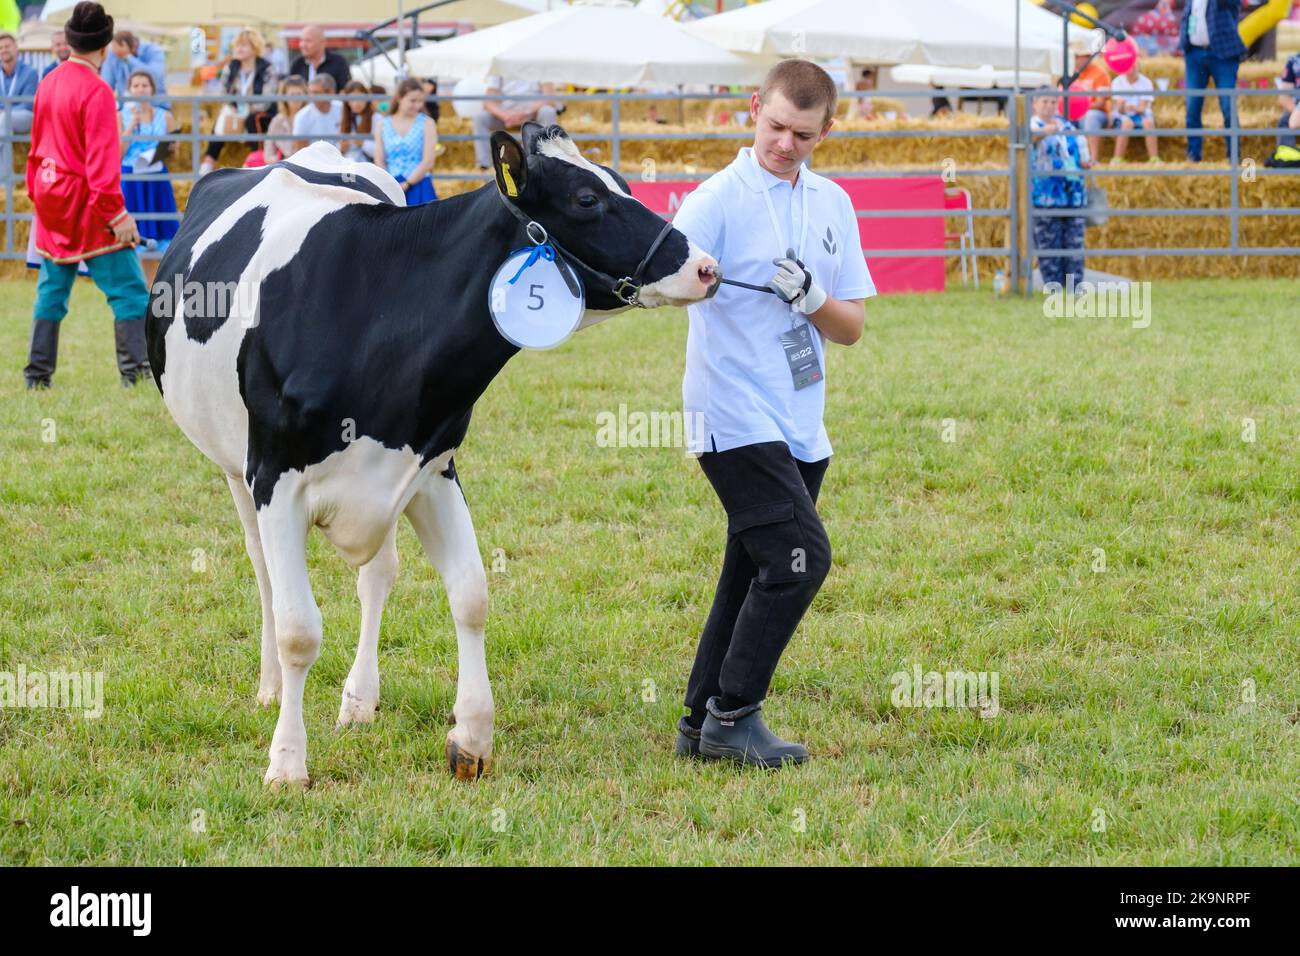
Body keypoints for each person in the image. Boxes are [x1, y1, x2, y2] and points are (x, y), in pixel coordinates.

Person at [669, 60, 874, 769]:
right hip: (729, 412)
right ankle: (735, 716)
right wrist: (691, 282)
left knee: (751, 568)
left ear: (827, 131)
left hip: (800, 422)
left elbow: (849, 327)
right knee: (799, 560)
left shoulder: (833, 204)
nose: (786, 144)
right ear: (755, 108)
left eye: (804, 135)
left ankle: (699, 722)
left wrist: (813, 296)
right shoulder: (715, 200)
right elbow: (660, 284)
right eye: (776, 126)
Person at [23, 1, 152, 389]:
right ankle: (137, 372)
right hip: (88, 203)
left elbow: (35, 147)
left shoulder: (49, 81)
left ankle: (37, 375)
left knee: (51, 289)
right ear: (104, 45)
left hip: (50, 197)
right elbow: (101, 163)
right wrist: (117, 216)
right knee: (129, 289)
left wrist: (38, 194)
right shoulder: (96, 91)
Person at [1030, 91, 1091, 291]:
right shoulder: (1031, 126)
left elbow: (1082, 153)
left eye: (1053, 102)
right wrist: (1045, 132)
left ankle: (1074, 287)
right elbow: (1028, 141)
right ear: (1035, 104)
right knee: (1049, 245)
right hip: (1045, 196)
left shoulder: (1068, 126)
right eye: (1044, 101)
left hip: (1072, 194)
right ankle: (1053, 287)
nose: (1049, 106)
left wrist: (1085, 161)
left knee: (1074, 244)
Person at [199, 28, 277, 175]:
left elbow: (268, 97)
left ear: (255, 48)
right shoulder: (232, 66)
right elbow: (223, 92)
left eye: (244, 45)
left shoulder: (267, 68)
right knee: (221, 121)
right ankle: (208, 162)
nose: (239, 49)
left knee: (253, 120)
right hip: (237, 108)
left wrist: (250, 108)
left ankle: (258, 159)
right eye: (237, 45)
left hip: (259, 110)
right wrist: (231, 106)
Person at [119, 69, 178, 255]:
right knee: (134, 236)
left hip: (157, 176)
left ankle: (155, 281)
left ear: (152, 89)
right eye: (136, 86)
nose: (140, 89)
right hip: (131, 177)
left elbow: (174, 151)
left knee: (162, 238)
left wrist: (170, 147)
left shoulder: (165, 116)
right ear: (129, 89)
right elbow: (117, 154)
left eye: (145, 85)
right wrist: (130, 127)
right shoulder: (120, 116)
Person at [1181, 0, 1247, 162]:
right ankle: (1193, 155)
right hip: (1195, 54)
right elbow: (1188, 16)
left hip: (1222, 55)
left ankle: (1233, 156)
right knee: (1192, 106)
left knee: (1227, 105)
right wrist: (1184, 43)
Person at [472, 74, 558, 168]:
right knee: (479, 117)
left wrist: (525, 112)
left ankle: (546, 162)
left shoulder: (540, 63)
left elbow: (550, 98)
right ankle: (484, 165)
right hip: (506, 116)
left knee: (548, 111)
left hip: (533, 114)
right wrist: (504, 115)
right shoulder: (499, 65)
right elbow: (488, 101)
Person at [375, 78, 437, 204]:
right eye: (412, 101)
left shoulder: (427, 123)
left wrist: (408, 183)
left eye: (420, 101)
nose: (418, 105)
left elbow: (428, 161)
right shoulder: (382, 124)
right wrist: (389, 183)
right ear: (399, 98)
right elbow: (379, 159)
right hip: (391, 183)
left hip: (419, 183)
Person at [0, 32, 39, 184]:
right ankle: (4, 181)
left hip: (25, 117)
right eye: (1, 47)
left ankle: (4, 184)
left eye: (7, 46)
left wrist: (5, 111)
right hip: (3, 119)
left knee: (3, 119)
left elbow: (27, 105)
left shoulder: (30, 72)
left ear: (16, 48)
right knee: (3, 126)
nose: (4, 50)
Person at [1109, 60, 1159, 163]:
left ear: (1138, 67)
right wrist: (1124, 106)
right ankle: (1117, 158)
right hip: (1124, 115)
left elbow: (1142, 108)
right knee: (1127, 124)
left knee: (1148, 122)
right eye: (1129, 67)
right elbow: (1119, 110)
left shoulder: (1146, 82)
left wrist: (1130, 107)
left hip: (1140, 114)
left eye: (1134, 67)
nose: (1131, 70)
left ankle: (1154, 158)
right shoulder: (1117, 82)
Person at [100, 30, 167, 104]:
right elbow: (106, 85)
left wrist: (127, 57)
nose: (116, 54)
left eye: (119, 53)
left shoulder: (154, 51)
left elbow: (155, 76)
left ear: (134, 46)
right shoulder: (113, 53)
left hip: (156, 106)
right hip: (126, 109)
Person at [1071, 50, 1112, 162]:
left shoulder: (1100, 73)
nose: (1075, 60)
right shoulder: (1070, 74)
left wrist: (1080, 108)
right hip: (1074, 113)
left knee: (1091, 117)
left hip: (1096, 112)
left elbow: (1100, 103)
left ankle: (1093, 160)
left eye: (1078, 57)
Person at [288, 24, 351, 96]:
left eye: (308, 40)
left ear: (322, 43)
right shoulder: (297, 64)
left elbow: (346, 91)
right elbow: (288, 91)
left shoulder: (339, 62)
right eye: (301, 40)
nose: (302, 45)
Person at [258, 75, 307, 164]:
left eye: (299, 94)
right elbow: (268, 153)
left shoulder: (310, 117)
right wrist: (276, 162)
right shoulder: (277, 121)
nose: (296, 98)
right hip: (284, 167)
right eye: (292, 94)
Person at [292, 74, 341, 152]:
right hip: (314, 161)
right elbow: (300, 151)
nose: (311, 96)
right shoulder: (302, 116)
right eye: (310, 92)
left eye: (316, 93)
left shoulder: (342, 109)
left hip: (343, 158)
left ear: (330, 92)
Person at [339, 79, 377, 162]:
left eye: (360, 98)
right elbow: (337, 147)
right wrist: (342, 148)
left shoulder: (376, 118)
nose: (356, 103)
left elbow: (381, 152)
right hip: (348, 166)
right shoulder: (344, 117)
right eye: (352, 99)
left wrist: (361, 142)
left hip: (368, 166)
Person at [1276, 49, 1300, 148]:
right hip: (1296, 106)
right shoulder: (1294, 61)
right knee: (1285, 120)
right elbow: (1284, 96)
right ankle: (1288, 160)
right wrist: (1296, 112)